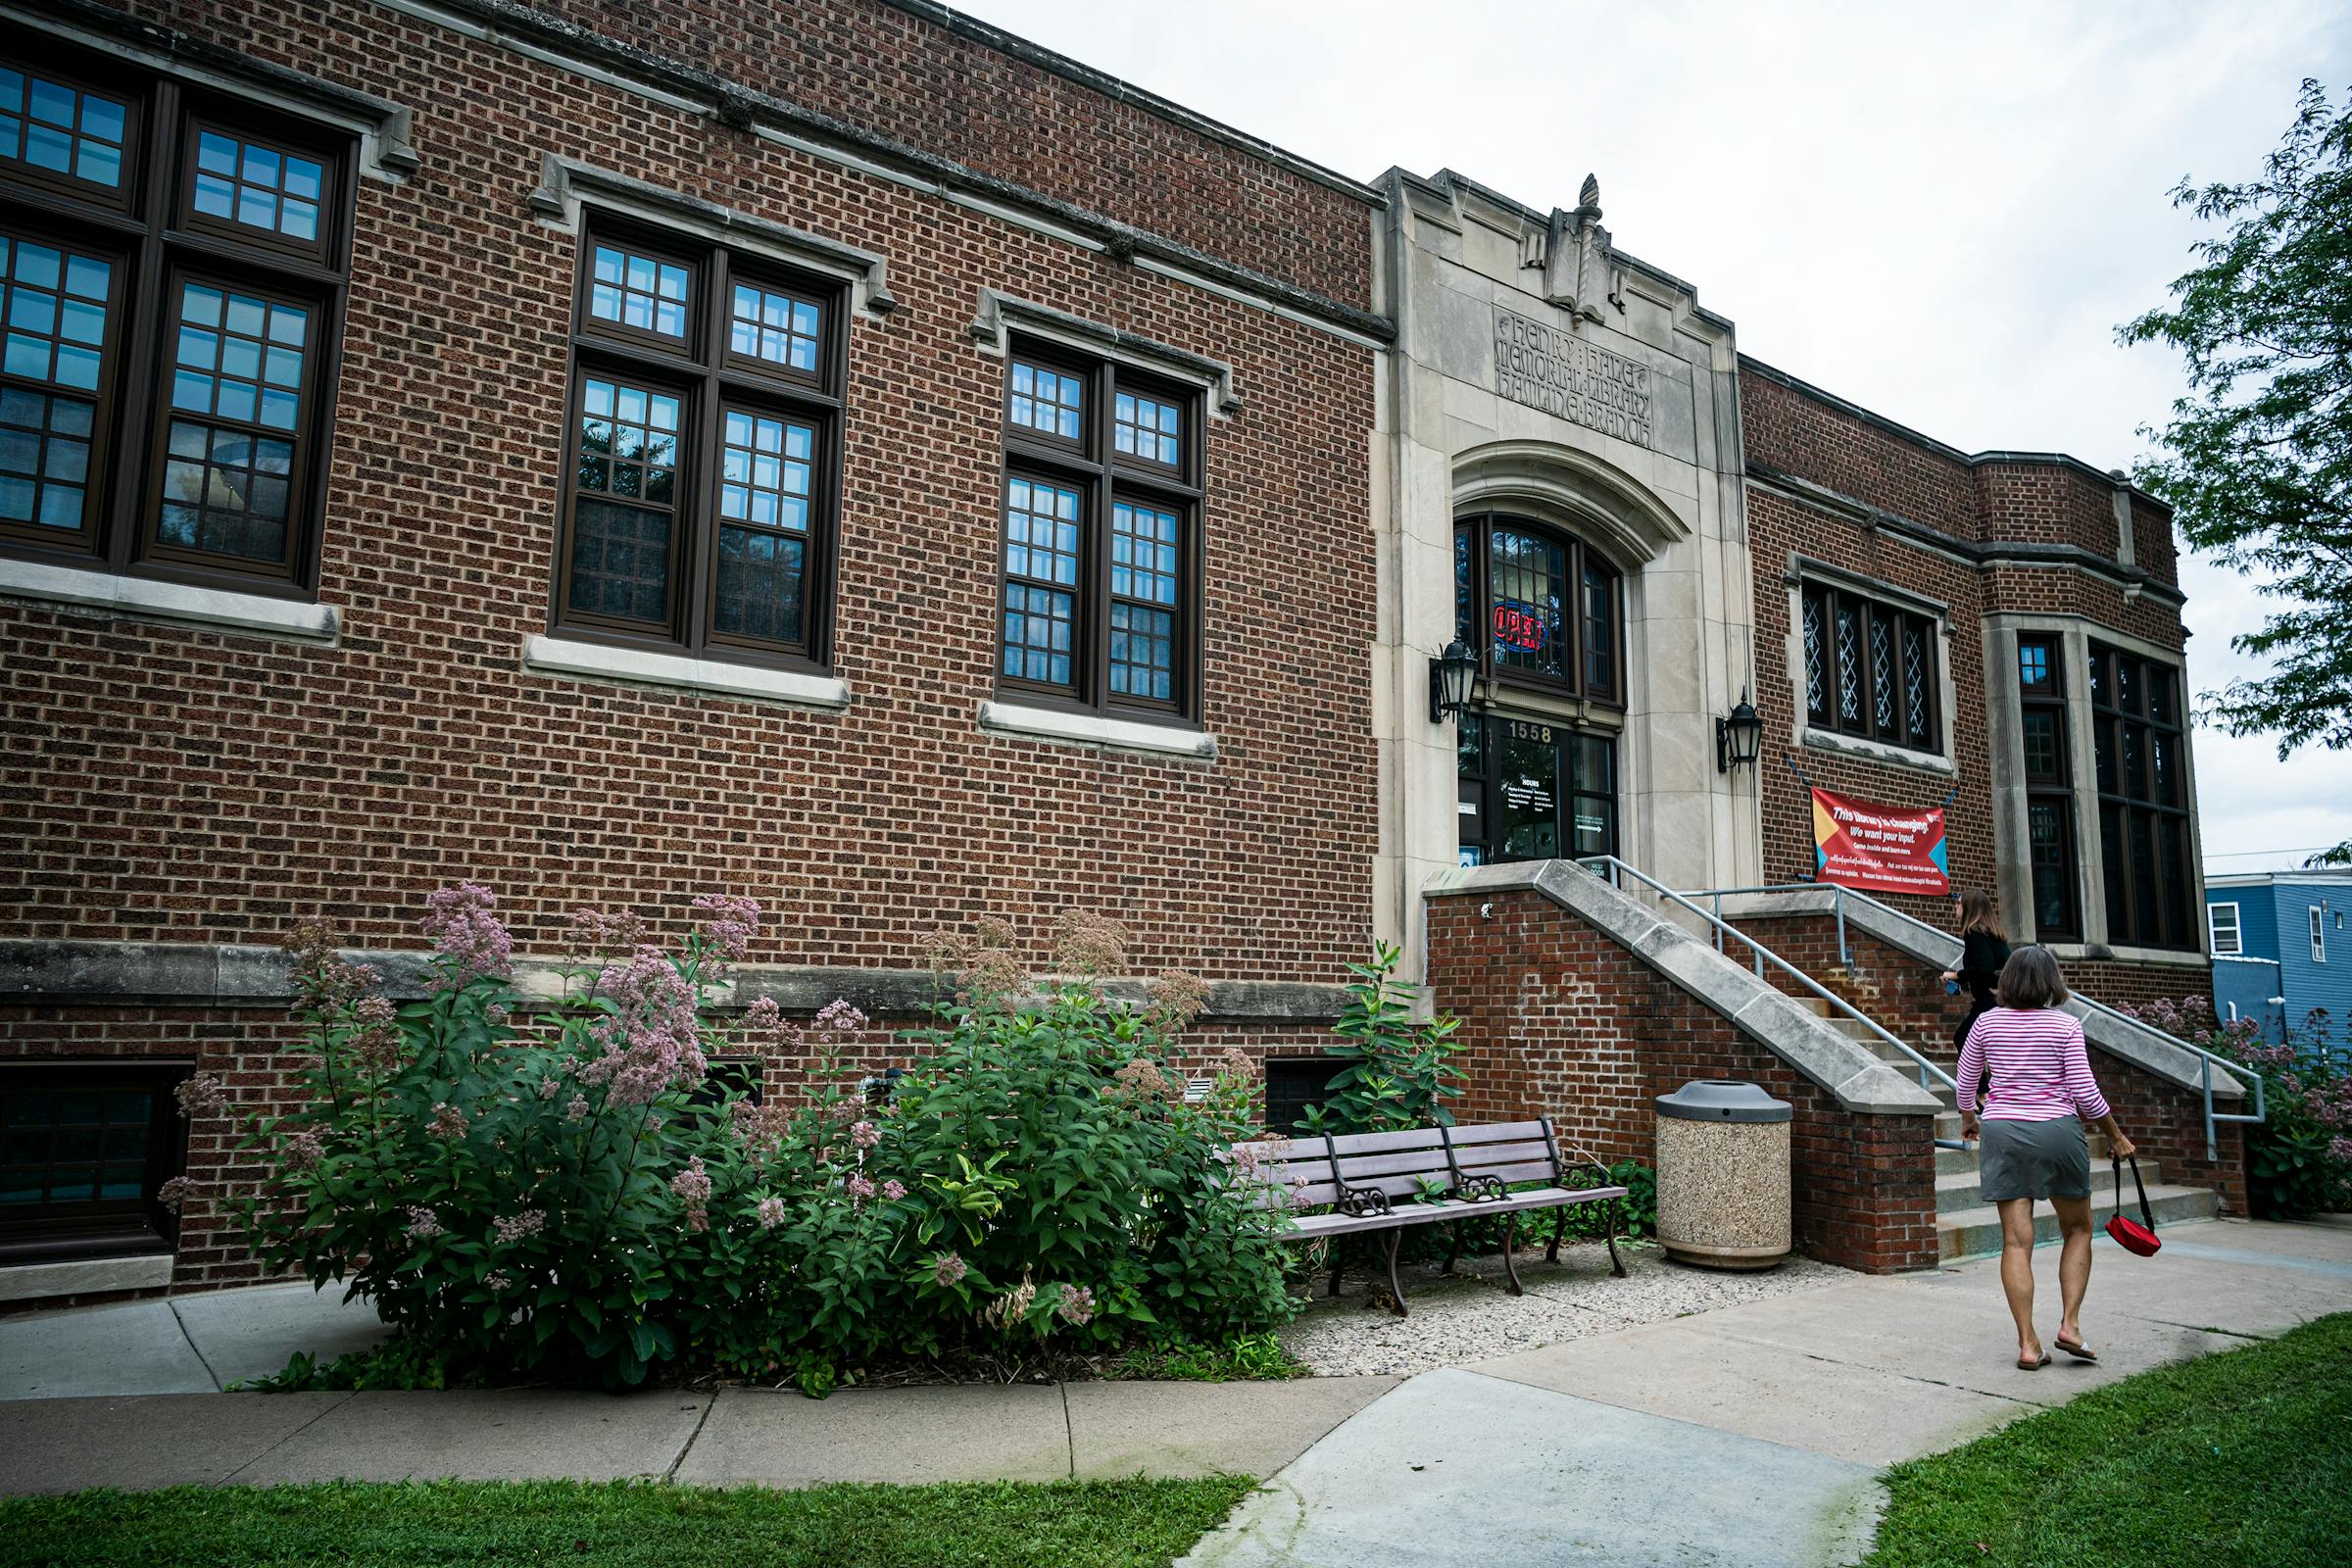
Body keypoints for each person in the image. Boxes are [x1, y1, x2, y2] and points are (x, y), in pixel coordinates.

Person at [1956, 946, 2135, 1370]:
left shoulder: (1986, 1022)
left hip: (2002, 1132)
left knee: (2017, 1242)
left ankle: (2027, 1344)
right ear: (2052, 982)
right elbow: (2086, 1096)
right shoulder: (2065, 1025)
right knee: (2078, 1228)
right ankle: (2070, 1325)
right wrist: (2117, 1137)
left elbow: (1966, 1081)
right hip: (2057, 1131)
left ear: (2009, 980)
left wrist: (1970, 1118)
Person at [1940, 888, 2011, 1055]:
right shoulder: (1991, 933)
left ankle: (1977, 1083)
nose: (1955, 908)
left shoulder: (1974, 933)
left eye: (1958, 904)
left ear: (1968, 908)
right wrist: (1962, 981)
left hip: (1990, 1002)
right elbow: (1989, 968)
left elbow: (1983, 967)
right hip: (2001, 1000)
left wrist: (1955, 975)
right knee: (1993, 1049)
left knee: (1963, 1038)